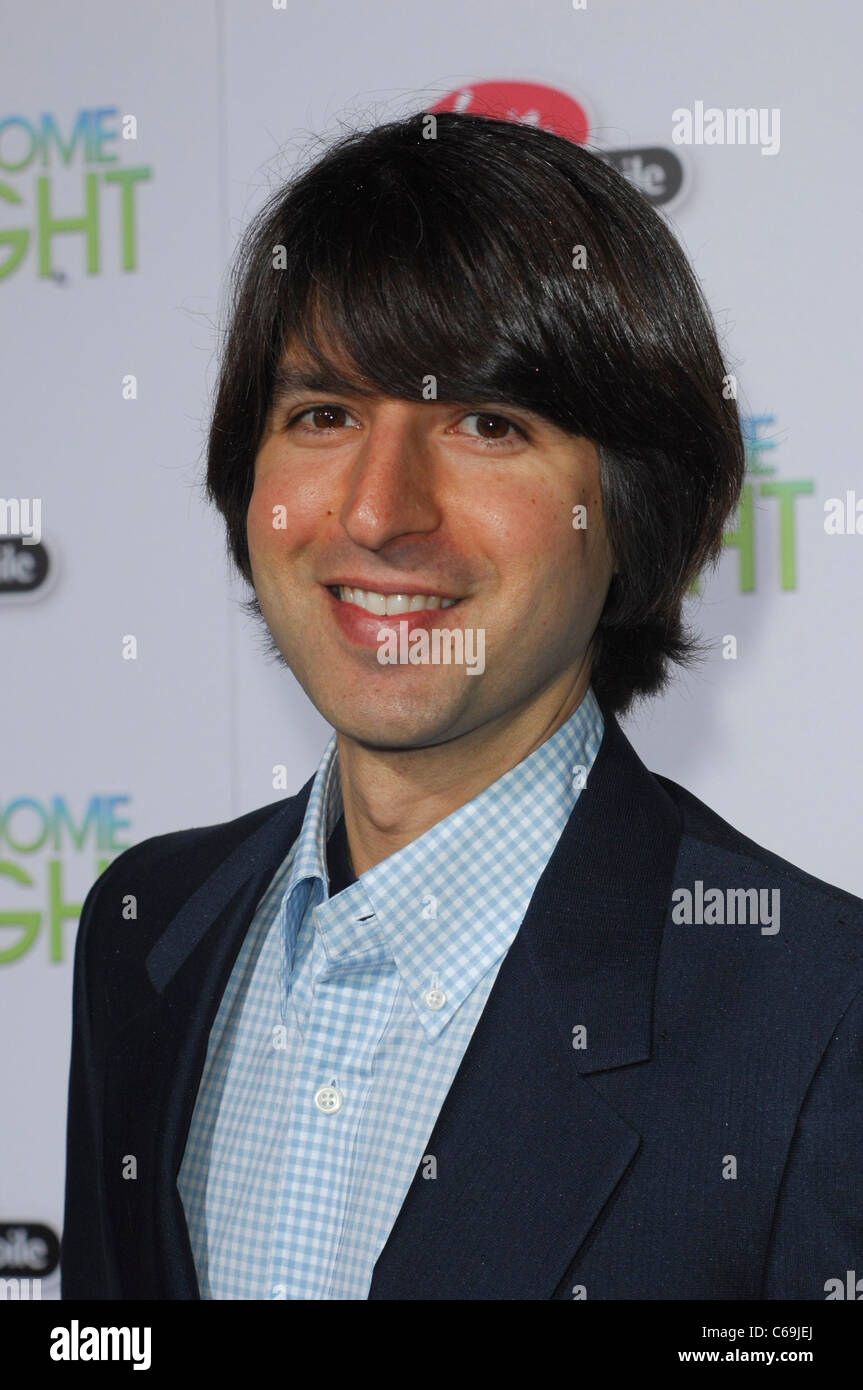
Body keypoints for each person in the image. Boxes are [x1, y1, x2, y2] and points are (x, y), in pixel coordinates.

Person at [61, 110, 863, 1300]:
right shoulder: (147, 927)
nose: (379, 511)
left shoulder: (814, 1017)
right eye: (323, 414)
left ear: (631, 507)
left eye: (486, 424)